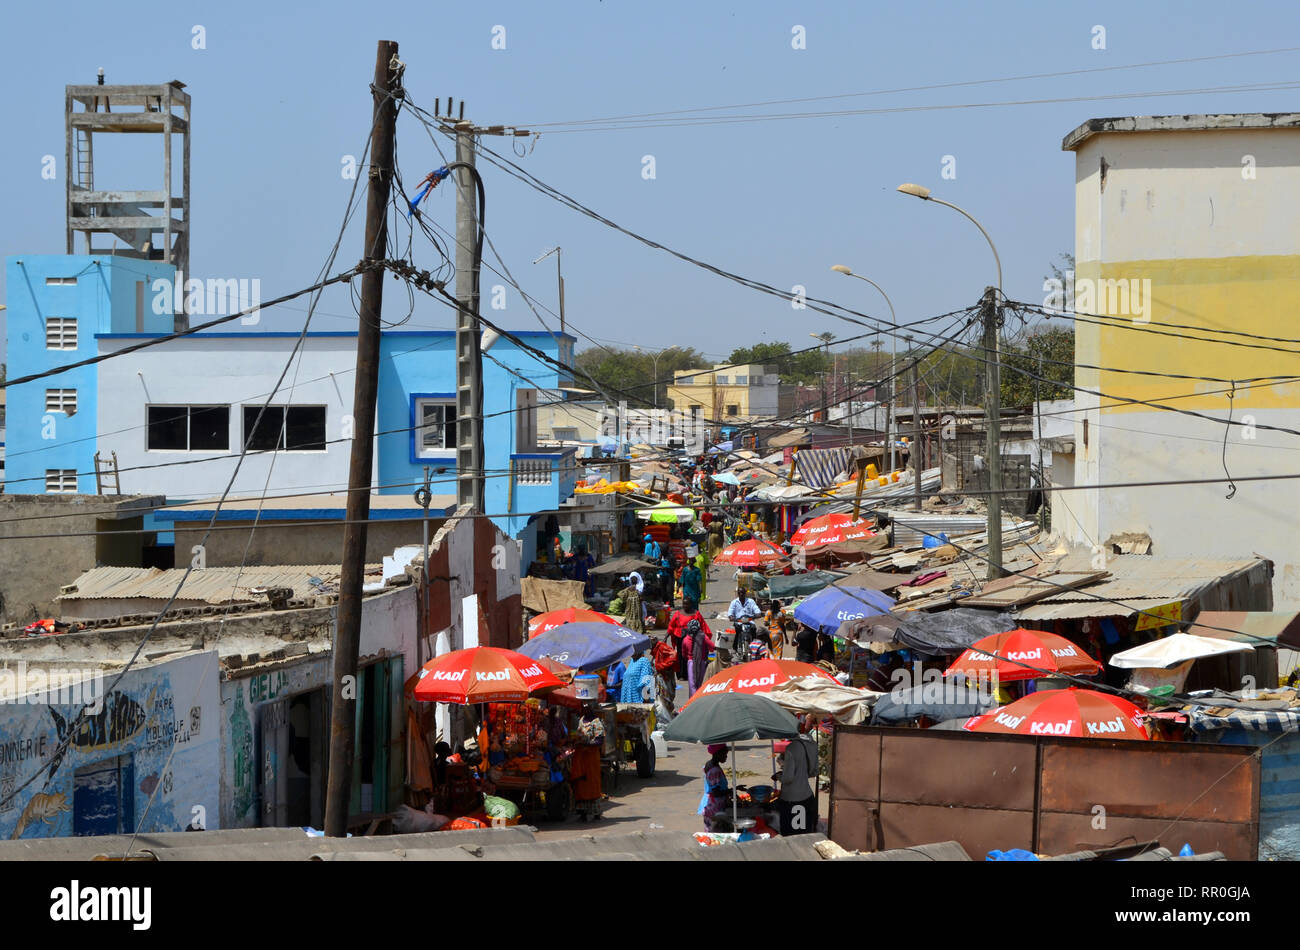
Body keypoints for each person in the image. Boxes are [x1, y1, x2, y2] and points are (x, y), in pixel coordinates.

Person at [774, 719, 819, 835]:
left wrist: (779, 776)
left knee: (791, 835)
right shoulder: (812, 743)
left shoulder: (791, 749)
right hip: (807, 795)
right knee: (805, 832)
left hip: (792, 798)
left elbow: (788, 778)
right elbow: (813, 772)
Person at [700, 743, 731, 831]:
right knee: (715, 832)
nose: (726, 757)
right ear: (717, 753)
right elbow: (716, 792)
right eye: (724, 754)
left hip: (710, 803)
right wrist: (731, 791)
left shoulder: (709, 764)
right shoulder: (715, 771)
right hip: (715, 807)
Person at [683, 617, 717, 696]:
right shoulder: (703, 636)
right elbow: (712, 646)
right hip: (702, 662)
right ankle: (700, 698)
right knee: (701, 683)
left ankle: (694, 701)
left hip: (691, 663)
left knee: (692, 684)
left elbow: (684, 654)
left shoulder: (685, 639)